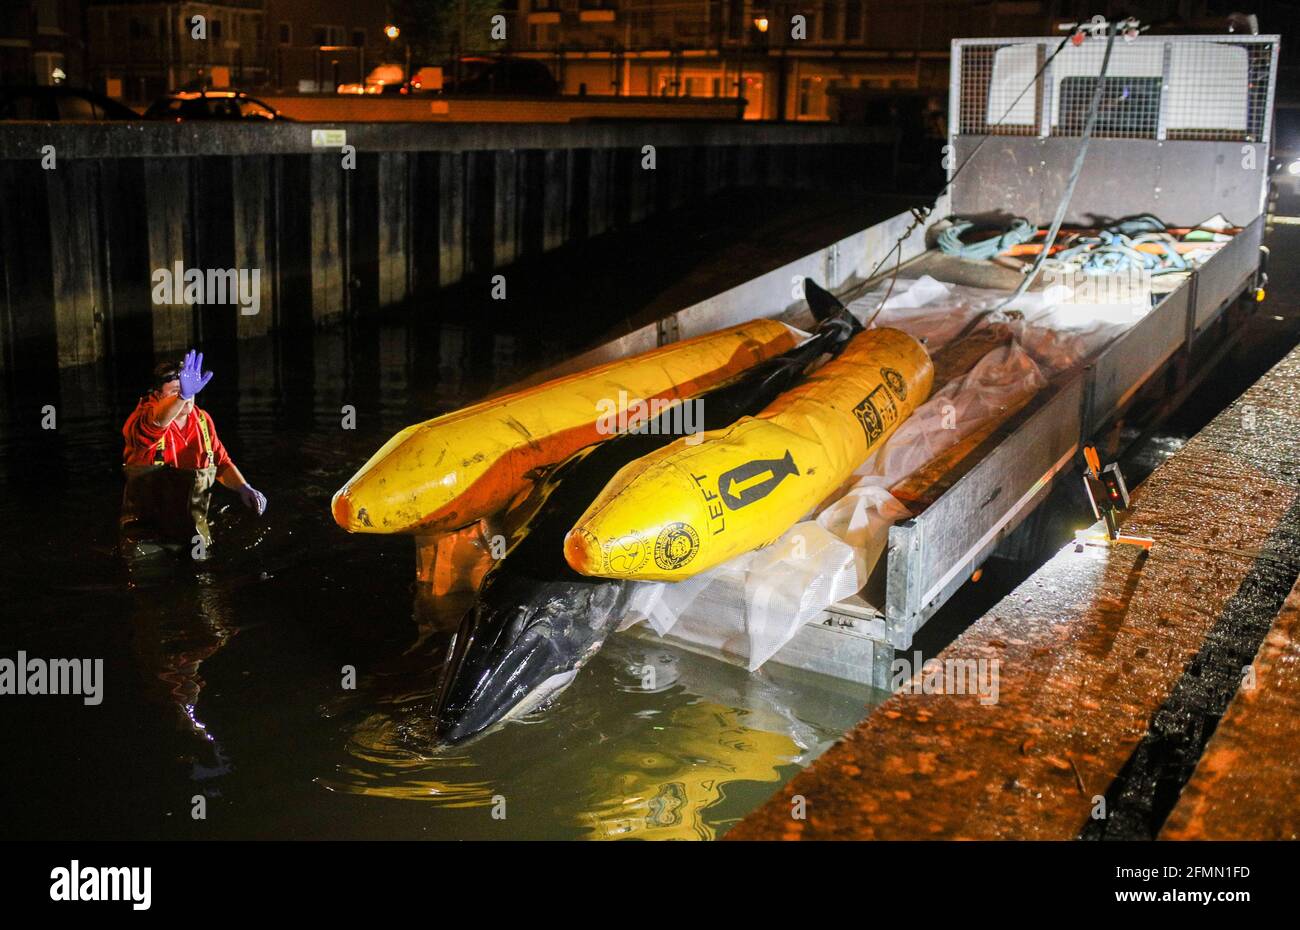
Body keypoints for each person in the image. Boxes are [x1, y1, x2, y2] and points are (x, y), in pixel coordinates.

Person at [120, 349, 266, 558]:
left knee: (204, 580)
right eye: (175, 392)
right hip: (147, 536)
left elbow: (221, 462)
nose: (186, 399)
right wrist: (182, 396)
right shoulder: (144, 418)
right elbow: (155, 424)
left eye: (190, 391)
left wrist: (244, 488)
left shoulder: (203, 421)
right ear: (158, 396)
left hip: (193, 531)